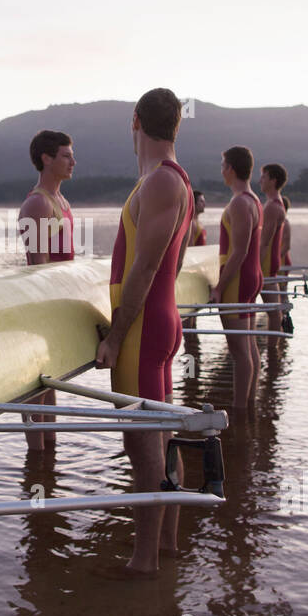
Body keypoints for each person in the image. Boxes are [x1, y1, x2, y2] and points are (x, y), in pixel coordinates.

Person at [95, 87, 194, 577]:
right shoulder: (170, 180)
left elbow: (146, 266)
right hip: (159, 323)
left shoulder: (160, 182)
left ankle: (143, 561)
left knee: (142, 447)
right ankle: (168, 547)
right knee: (163, 437)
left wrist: (114, 336)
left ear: (134, 120)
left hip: (143, 331)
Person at [18, 130, 76, 450]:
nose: (73, 162)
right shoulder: (38, 203)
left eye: (71, 155)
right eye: (66, 155)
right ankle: (36, 455)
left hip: (58, 303)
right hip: (42, 306)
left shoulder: (62, 201)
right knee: (34, 382)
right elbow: (38, 269)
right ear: (46, 159)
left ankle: (47, 460)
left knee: (50, 382)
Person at [209, 147, 262, 409]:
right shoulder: (253, 199)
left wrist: (219, 287)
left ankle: (240, 410)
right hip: (250, 278)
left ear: (230, 168)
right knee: (248, 346)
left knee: (239, 350)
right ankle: (249, 405)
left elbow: (238, 251)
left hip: (239, 281)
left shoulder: (240, 202)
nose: (221, 170)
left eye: (222, 165)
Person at [258, 163, 288, 337]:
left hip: (267, 264)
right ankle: (274, 354)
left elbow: (264, 242)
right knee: (274, 310)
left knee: (273, 312)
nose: (260, 180)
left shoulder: (272, 206)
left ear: (273, 180)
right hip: (271, 263)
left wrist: (256, 268)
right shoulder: (276, 203)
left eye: (264, 177)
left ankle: (272, 351)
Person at [279, 195, 294, 335]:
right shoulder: (279, 222)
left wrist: (276, 259)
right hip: (278, 260)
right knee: (279, 291)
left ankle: (285, 319)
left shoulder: (286, 223)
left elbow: (286, 246)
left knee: (282, 291)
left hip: (282, 261)